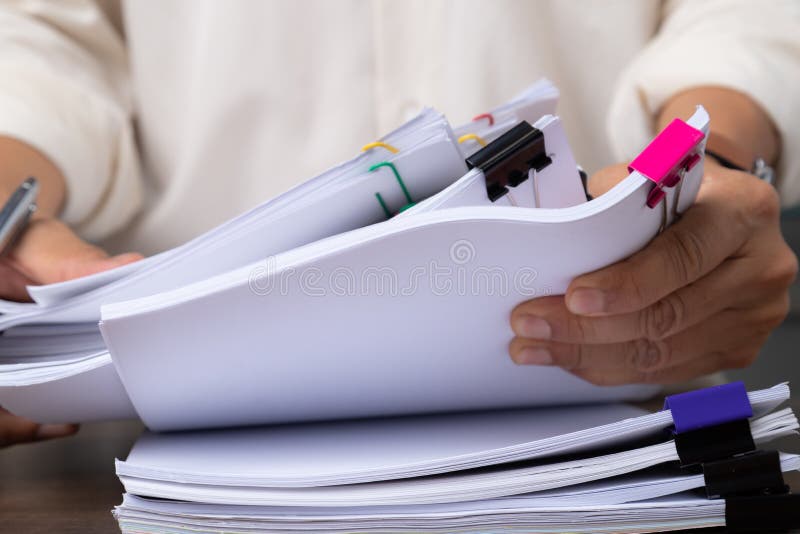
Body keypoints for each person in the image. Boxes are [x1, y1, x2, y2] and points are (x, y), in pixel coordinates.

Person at [1, 0, 798, 447]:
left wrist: (713, 164)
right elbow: (38, 36)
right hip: (162, 430)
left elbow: (742, 20)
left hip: (630, 398)